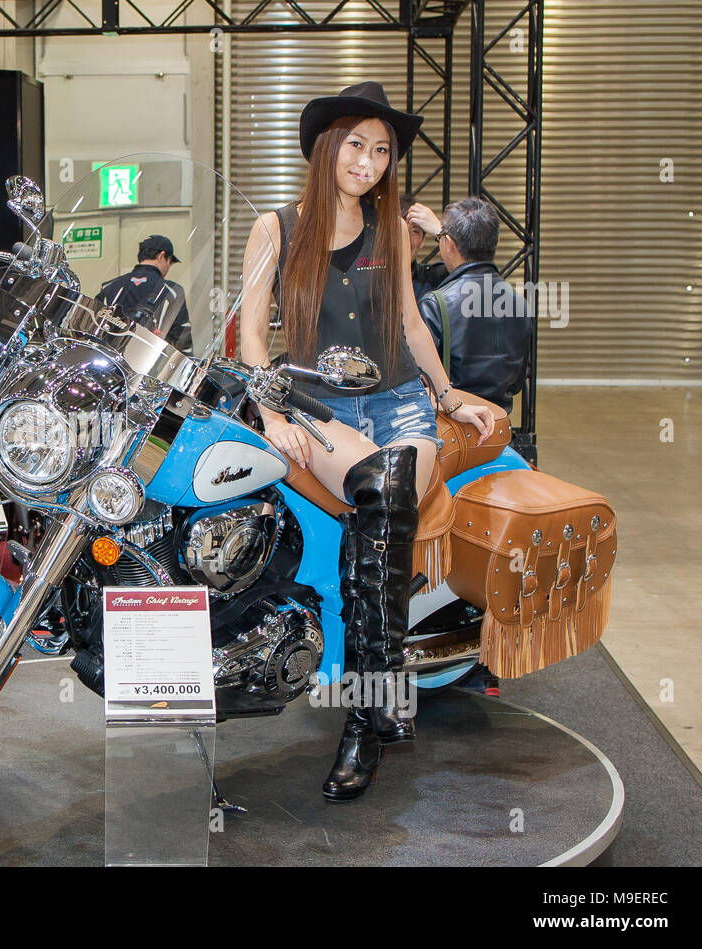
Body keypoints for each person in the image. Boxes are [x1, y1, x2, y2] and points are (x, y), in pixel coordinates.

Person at [241, 82, 495, 801]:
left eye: (382, 150)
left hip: (401, 404)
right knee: (381, 498)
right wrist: (272, 416)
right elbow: (254, 336)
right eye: (357, 143)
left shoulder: (392, 230)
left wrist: (448, 397)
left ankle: (367, 709)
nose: (370, 160)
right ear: (327, 147)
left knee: (381, 517)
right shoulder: (276, 229)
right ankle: (374, 709)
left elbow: (413, 327)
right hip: (320, 407)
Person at [417, 197, 532, 415]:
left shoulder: (435, 304)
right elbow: (517, 382)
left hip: (453, 426)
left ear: (449, 244)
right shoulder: (520, 303)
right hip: (499, 423)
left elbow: (422, 383)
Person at [98, 235, 192, 350]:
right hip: (149, 363)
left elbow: (95, 326)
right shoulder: (172, 291)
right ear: (161, 256)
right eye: (169, 262)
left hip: (111, 362)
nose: (168, 267)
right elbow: (183, 339)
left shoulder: (109, 287)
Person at [400, 196, 448, 301]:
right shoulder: (365, 278)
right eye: (398, 229)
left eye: (414, 231)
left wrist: (439, 230)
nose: (406, 237)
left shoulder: (435, 280)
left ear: (423, 241)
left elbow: (474, 274)